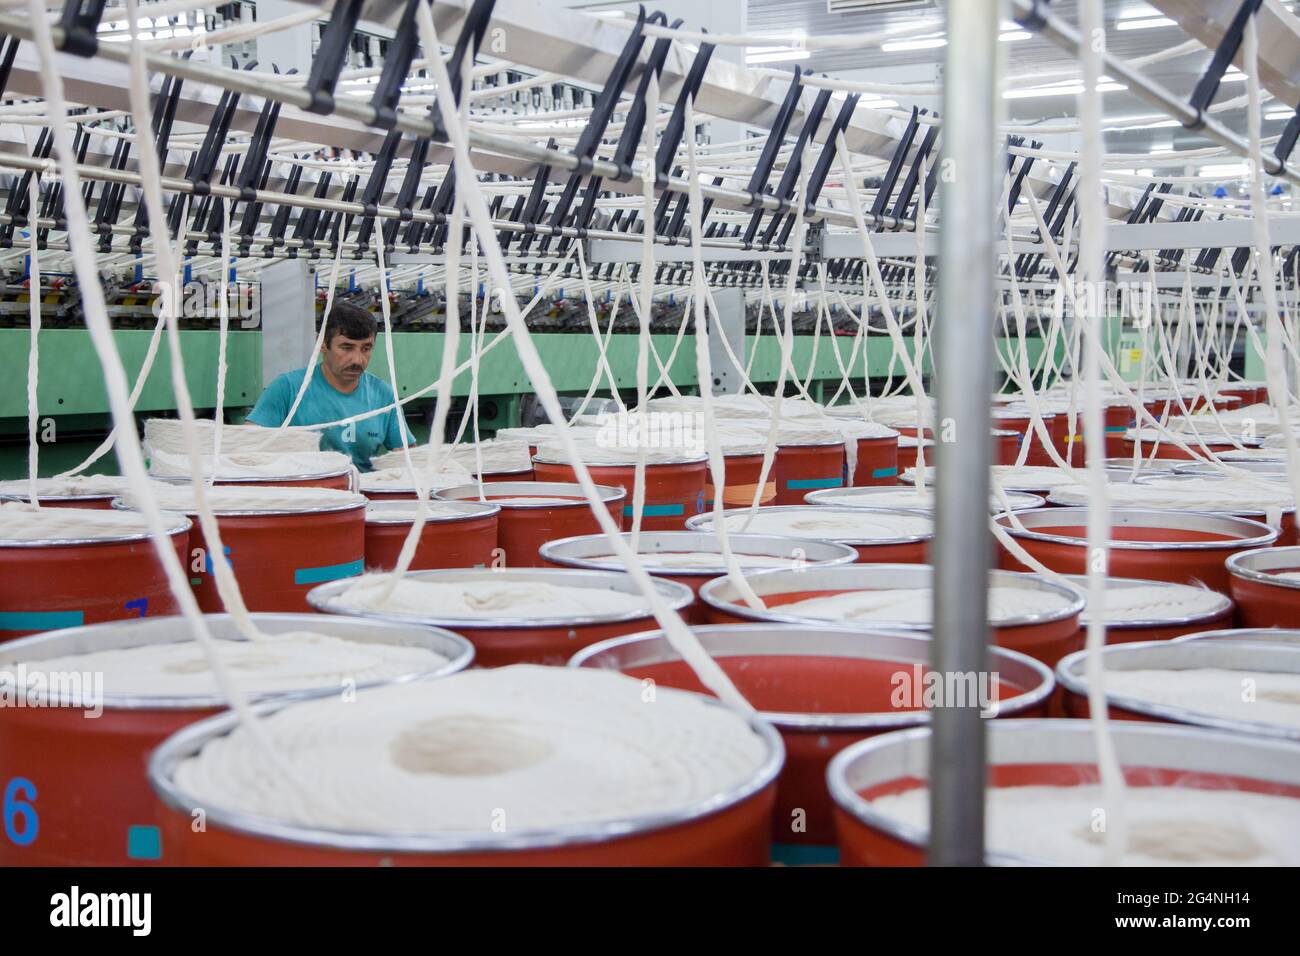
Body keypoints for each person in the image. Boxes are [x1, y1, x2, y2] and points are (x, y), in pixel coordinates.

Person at [246, 302, 414, 470]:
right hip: (304, 490)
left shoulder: (383, 395)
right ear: (322, 344)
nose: (357, 360)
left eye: (366, 348)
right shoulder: (288, 388)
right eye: (346, 348)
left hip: (363, 491)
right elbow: (247, 447)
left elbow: (407, 458)